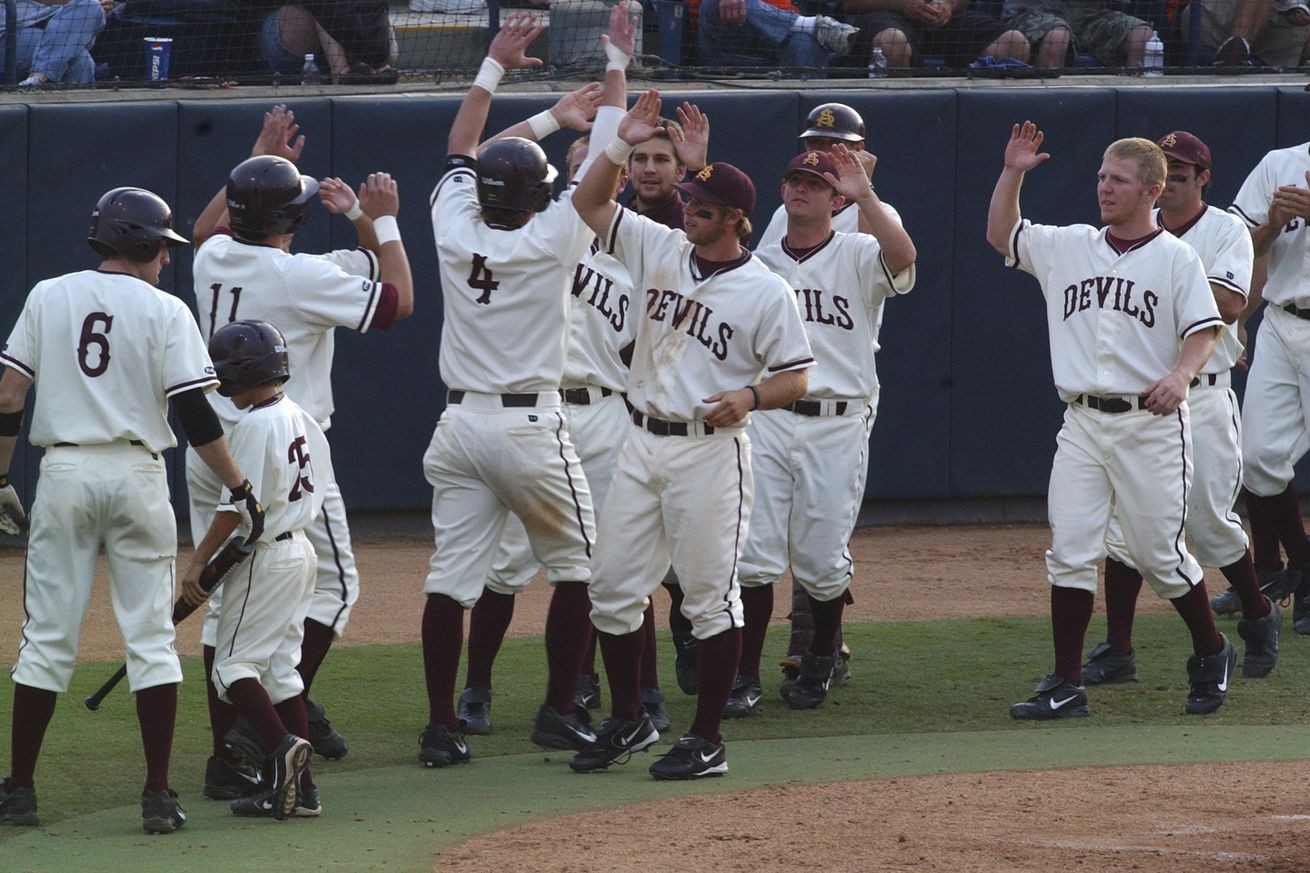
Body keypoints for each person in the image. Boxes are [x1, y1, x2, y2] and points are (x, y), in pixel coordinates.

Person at [0, 187, 264, 832]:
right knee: (151, 639)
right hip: (138, 476)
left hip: (65, 472)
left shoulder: (48, 294)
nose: (168, 257)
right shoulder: (168, 310)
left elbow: (8, 394)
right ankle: (158, 796)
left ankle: (20, 791)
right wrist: (238, 487)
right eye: (162, 246)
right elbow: (195, 412)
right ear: (141, 241)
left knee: (47, 639)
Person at [569, 90, 815, 780]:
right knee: (611, 589)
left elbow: (797, 376)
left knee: (709, 599)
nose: (689, 211)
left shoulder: (766, 289)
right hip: (640, 440)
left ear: (735, 219)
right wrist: (620, 142)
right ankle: (630, 718)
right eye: (689, 200)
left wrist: (750, 395)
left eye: (703, 208)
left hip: (709, 454)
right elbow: (588, 202)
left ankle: (707, 738)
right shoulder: (659, 246)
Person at [419, 8, 630, 768]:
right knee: (581, 568)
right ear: (541, 194)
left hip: (457, 428)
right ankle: (557, 709)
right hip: (531, 427)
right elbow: (605, 155)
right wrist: (616, 67)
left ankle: (441, 725)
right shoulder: (553, 234)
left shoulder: (453, 223)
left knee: (450, 581)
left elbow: (463, 148)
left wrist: (496, 69)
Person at [188, 104, 414, 797]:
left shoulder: (212, 255)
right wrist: (381, 220)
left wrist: (256, 157)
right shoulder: (301, 277)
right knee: (335, 588)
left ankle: (231, 752)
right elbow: (398, 299)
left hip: (211, 440)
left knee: (224, 595)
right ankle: (268, 722)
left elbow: (206, 227)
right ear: (295, 218)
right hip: (285, 442)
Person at [458, 77, 685, 740]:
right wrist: (569, 112)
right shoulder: (531, 236)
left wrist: (619, 69)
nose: (595, 170)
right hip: (538, 415)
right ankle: (476, 689)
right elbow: (476, 160)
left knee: (622, 562)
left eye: (605, 162)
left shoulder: (637, 250)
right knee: (506, 564)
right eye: (582, 162)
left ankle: (640, 690)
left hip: (609, 415)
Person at [986, 123, 1234, 721]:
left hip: (1149, 426)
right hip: (1082, 422)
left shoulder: (1176, 258)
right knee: (1070, 549)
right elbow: (1002, 233)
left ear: (1152, 191)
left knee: (1158, 556)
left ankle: (1211, 649)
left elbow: (1205, 329)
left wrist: (1181, 375)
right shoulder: (1070, 245)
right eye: (1101, 177)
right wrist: (1013, 170)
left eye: (1119, 180)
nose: (1104, 188)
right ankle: (1066, 683)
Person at [1079, 131, 1277, 686]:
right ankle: (1119, 648)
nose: (1169, 183)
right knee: (1125, 527)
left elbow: (1231, 303)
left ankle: (1258, 612)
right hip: (1142, 399)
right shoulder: (1131, 231)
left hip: (1204, 393)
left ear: (1202, 179)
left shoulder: (1224, 230)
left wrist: (1164, 276)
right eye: (1163, 172)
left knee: (1209, 524)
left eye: (1181, 174)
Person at [736, 147, 916, 716]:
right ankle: (743, 674)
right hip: (768, 418)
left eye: (815, 184)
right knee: (753, 555)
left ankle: (819, 657)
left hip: (836, 421)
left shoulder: (858, 250)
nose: (801, 189)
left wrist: (867, 196)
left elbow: (903, 258)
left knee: (820, 559)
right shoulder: (759, 262)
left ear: (836, 200)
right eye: (794, 180)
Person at [754, 101, 884, 699]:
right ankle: (800, 649)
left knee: (821, 536)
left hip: (841, 388)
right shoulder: (783, 218)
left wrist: (863, 196)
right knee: (763, 537)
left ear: (860, 151)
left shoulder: (871, 214)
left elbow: (894, 268)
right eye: (814, 144)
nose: (825, 153)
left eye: (838, 146)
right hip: (779, 396)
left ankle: (819, 646)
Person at [179, 320, 328, 821]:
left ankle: (282, 749)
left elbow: (237, 509)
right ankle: (303, 792)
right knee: (281, 673)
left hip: (267, 557)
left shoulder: (254, 427)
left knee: (231, 667)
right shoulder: (300, 416)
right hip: (301, 550)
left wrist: (198, 561)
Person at [1229, 138, 1310, 634]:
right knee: (1256, 458)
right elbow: (1242, 247)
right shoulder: (1281, 164)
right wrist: (1272, 224)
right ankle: (1297, 565)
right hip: (1282, 320)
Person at [840, 0, 1030, 69]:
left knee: (1014, 43)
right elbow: (849, 5)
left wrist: (949, 4)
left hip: (945, 19)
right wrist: (900, 4)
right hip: (887, 14)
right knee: (891, 43)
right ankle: (907, 109)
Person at [695, 0, 860, 69]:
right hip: (725, 34)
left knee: (805, 43)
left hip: (780, 35)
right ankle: (812, 26)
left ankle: (810, 119)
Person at [1002, 0, 1151, 68]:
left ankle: (1135, 116)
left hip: (1088, 15)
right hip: (1034, 12)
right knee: (1056, 38)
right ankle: (1045, 109)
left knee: (1141, 35)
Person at [0, 0, 110, 86]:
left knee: (91, 6)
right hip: (11, 32)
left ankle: (38, 78)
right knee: (80, 60)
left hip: (57, 28)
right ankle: (40, 74)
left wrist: (102, 6)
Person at [1187, 0, 1309, 66]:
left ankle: (1304, 67)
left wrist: (1297, 7)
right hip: (1208, 19)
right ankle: (1233, 58)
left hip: (1275, 26)